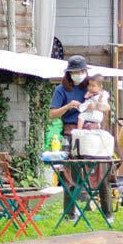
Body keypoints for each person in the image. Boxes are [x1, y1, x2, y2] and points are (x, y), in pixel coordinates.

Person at [51, 54, 115, 224]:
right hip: (71, 132)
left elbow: (107, 107)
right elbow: (51, 114)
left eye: (81, 71)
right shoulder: (61, 89)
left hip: (93, 133)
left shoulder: (92, 86)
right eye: (75, 71)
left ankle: (108, 212)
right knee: (69, 173)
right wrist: (67, 106)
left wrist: (97, 106)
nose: (79, 73)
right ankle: (70, 214)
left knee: (103, 169)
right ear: (69, 73)